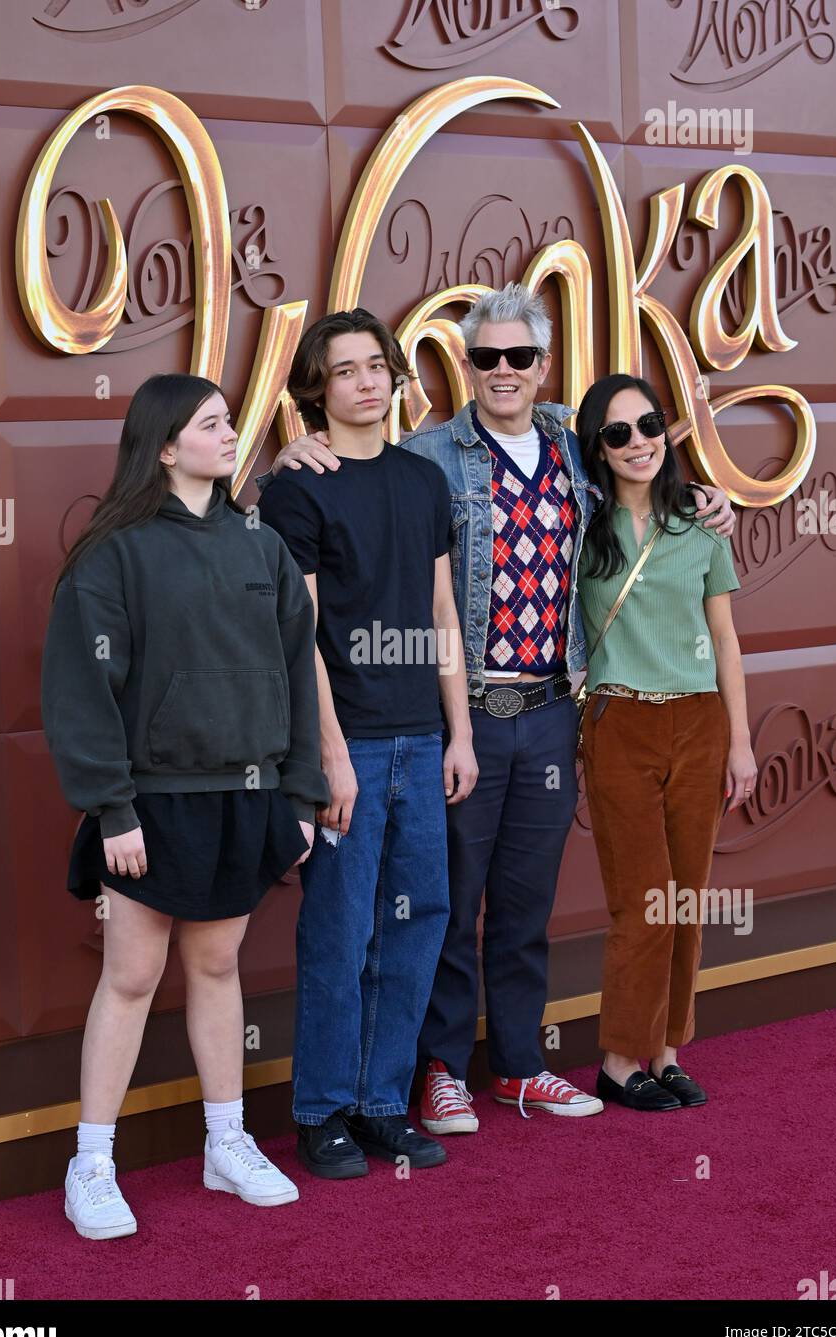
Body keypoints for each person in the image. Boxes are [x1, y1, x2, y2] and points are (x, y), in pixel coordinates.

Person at [266, 284, 736, 1135]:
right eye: (487, 358)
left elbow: (641, 472)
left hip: (555, 708)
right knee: (445, 899)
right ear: (466, 366)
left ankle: (520, 1064)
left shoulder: (571, 439)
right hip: (466, 711)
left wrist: (704, 496)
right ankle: (441, 1070)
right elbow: (349, 474)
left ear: (544, 365)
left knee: (526, 902)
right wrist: (289, 457)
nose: (504, 371)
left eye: (521, 357)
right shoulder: (430, 453)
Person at [41, 373, 329, 1238]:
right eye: (213, 424)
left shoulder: (261, 545)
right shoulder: (112, 552)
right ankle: (90, 1163)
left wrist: (303, 794)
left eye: (231, 421)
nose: (232, 434)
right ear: (166, 446)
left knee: (215, 970)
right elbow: (80, 688)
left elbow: (296, 680)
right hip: (150, 805)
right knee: (130, 978)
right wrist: (112, 808)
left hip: (246, 798)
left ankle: (226, 1143)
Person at [257, 307, 477, 1179]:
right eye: (344, 369)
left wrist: (459, 732)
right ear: (319, 388)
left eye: (376, 365)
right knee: (340, 936)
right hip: (346, 746)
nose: (365, 380)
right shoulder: (296, 488)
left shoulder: (422, 482)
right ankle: (323, 1113)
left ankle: (386, 1104)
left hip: (424, 743)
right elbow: (299, 631)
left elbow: (440, 612)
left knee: (418, 923)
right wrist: (331, 754)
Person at [575, 373, 756, 1111]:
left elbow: (726, 639)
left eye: (647, 425)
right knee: (644, 901)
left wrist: (740, 743)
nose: (637, 443)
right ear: (597, 447)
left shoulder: (700, 525)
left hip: (701, 720)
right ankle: (620, 1062)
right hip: (620, 723)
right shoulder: (580, 525)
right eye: (616, 434)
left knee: (687, 902)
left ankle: (669, 1052)